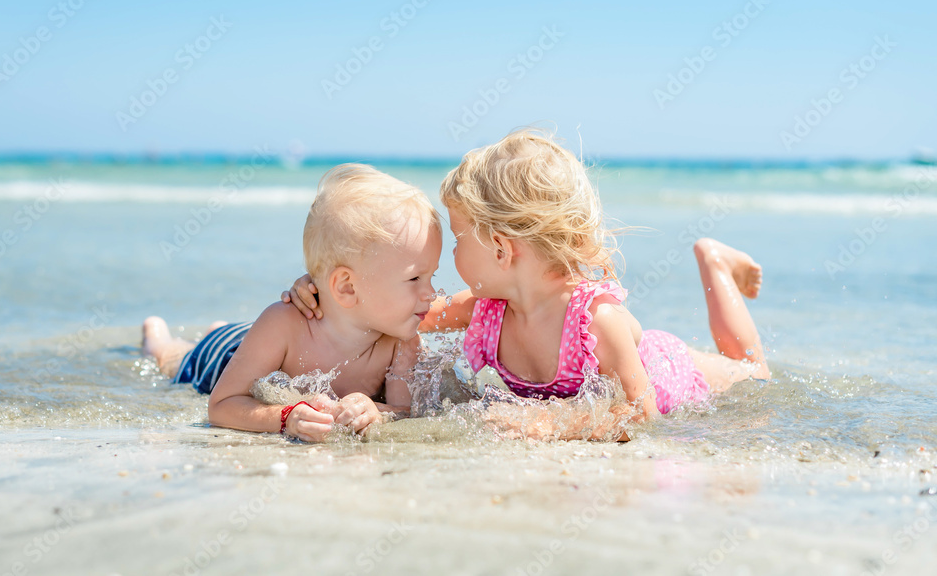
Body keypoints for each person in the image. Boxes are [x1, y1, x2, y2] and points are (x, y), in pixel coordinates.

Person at [286, 130, 769, 438]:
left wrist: (551, 422)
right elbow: (390, 308)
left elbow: (643, 416)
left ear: (501, 249)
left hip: (669, 371)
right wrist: (325, 291)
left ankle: (714, 261)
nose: (451, 255)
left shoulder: (597, 321)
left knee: (750, 370)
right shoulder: (486, 308)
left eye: (458, 239)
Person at [143, 164, 441, 442]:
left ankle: (218, 328)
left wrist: (377, 412)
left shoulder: (403, 341)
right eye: (415, 278)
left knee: (240, 341)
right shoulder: (284, 324)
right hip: (224, 355)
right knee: (176, 360)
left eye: (432, 276)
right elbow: (221, 406)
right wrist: (285, 416)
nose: (431, 292)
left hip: (254, 345)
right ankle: (158, 338)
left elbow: (406, 411)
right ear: (347, 287)